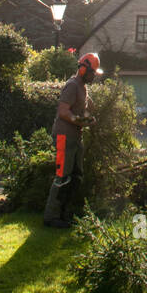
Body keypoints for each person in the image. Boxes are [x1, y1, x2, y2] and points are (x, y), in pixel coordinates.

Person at [43, 52, 103, 228]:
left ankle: (64, 213)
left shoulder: (83, 87)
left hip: (76, 137)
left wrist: (89, 117)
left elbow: (83, 108)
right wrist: (80, 121)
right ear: (84, 70)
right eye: (92, 73)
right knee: (62, 177)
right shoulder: (72, 86)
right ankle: (51, 216)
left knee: (76, 177)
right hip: (64, 137)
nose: (93, 77)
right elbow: (63, 111)